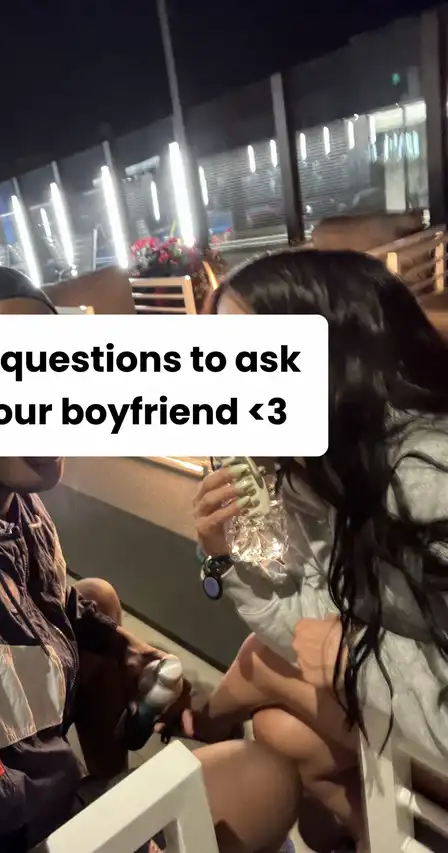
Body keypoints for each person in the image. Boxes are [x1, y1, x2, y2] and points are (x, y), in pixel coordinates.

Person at [0, 261, 300, 853]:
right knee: (262, 780)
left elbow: (27, 609)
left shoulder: (5, 501)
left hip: (18, 796)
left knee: (96, 601)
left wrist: (119, 648)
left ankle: (103, 787)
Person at [193, 249, 448, 849]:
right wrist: (224, 552)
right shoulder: (329, 474)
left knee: (264, 680)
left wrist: (348, 658)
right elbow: (308, 619)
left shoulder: (427, 478)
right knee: (280, 730)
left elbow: (323, 640)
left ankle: (190, 724)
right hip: (403, 718)